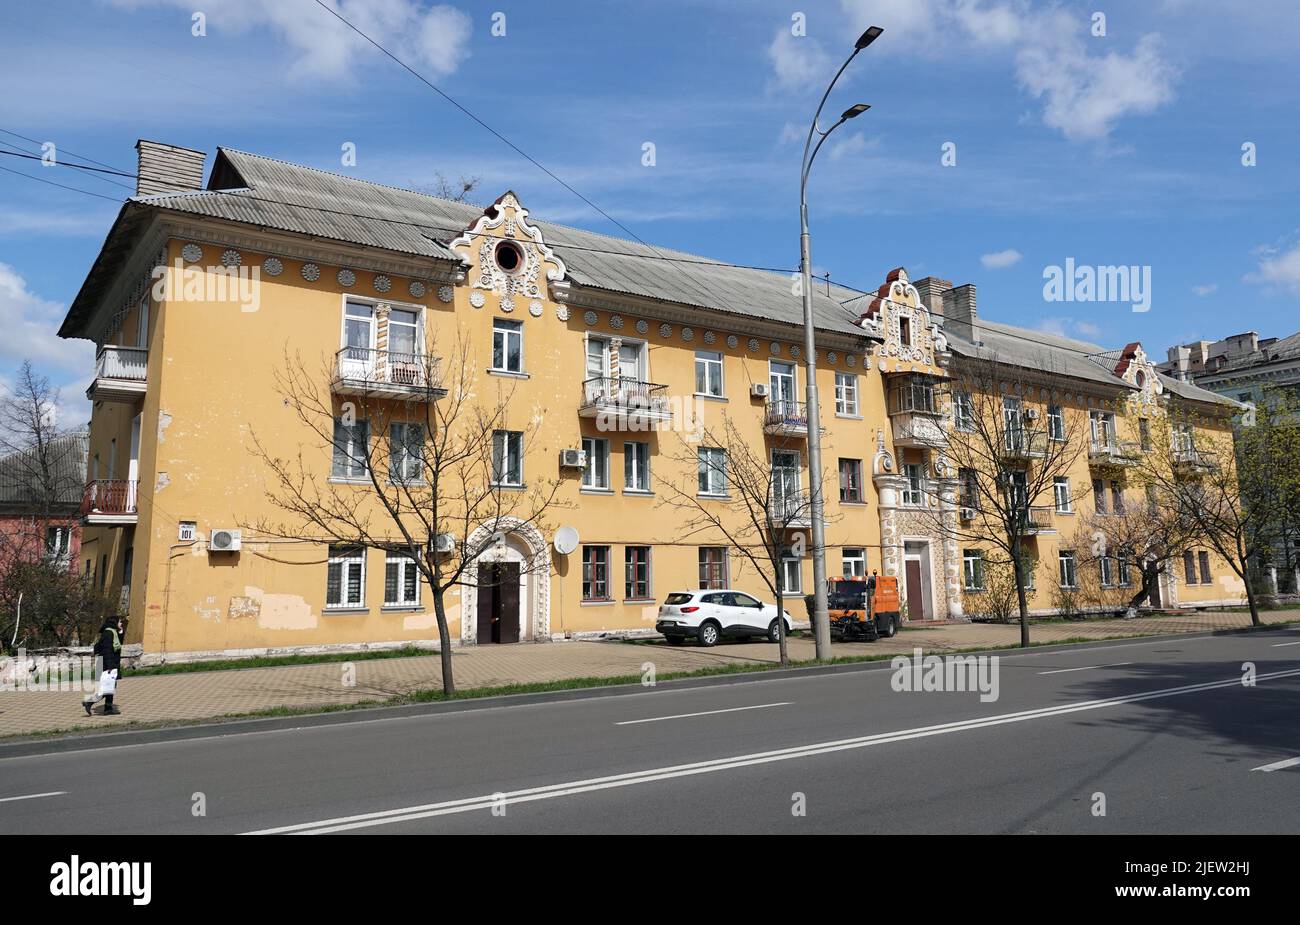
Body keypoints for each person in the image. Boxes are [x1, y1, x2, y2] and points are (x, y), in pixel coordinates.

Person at [83, 616, 125, 716]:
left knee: (110, 686)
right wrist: (110, 666)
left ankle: (108, 708)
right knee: (107, 687)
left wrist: (121, 633)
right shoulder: (109, 634)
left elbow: (118, 644)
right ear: (114, 622)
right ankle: (89, 702)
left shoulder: (112, 633)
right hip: (107, 664)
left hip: (107, 663)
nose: (121, 624)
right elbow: (107, 650)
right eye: (119, 622)